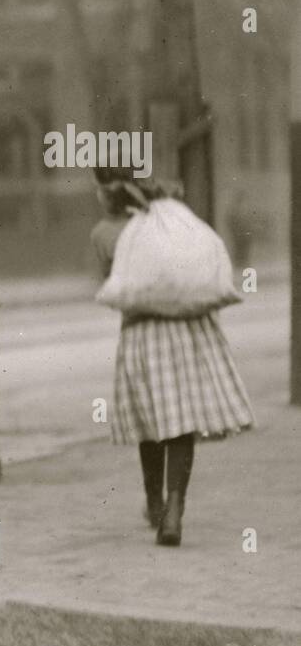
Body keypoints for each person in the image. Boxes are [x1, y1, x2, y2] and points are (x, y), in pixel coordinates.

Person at [91, 167, 253, 546]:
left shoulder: (107, 233)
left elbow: (112, 285)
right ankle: (176, 508)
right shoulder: (178, 223)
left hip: (141, 334)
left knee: (150, 421)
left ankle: (154, 502)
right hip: (187, 334)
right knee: (181, 422)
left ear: (107, 193)